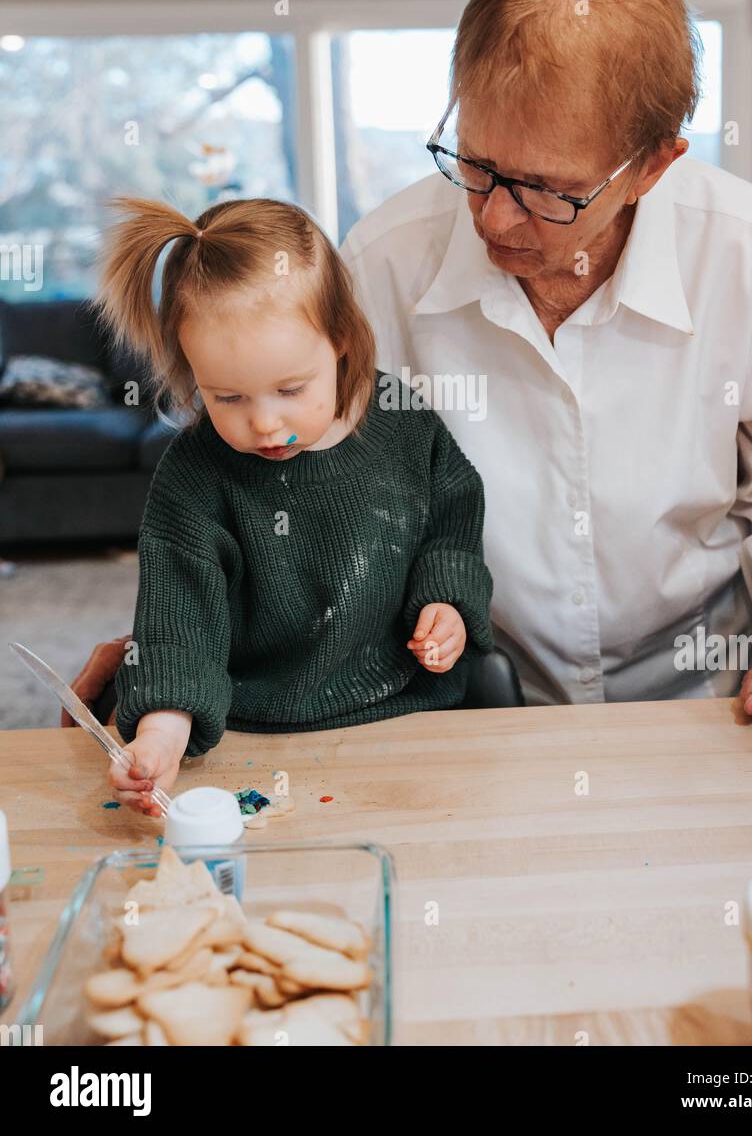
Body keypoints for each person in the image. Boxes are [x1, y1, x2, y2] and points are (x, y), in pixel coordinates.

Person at [340, 0, 752, 756]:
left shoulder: (751, 252)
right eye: (474, 163)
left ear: (653, 165)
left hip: (707, 698)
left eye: (549, 190)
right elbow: (331, 494)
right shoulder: (379, 261)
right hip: (470, 698)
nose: (493, 218)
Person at [81, 195, 493, 815]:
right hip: (249, 733)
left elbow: (453, 520)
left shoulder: (402, 423)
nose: (266, 424)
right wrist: (162, 733)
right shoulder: (194, 477)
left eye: (290, 389)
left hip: (406, 715)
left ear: (344, 342)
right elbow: (177, 621)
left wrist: (447, 603)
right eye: (227, 398)